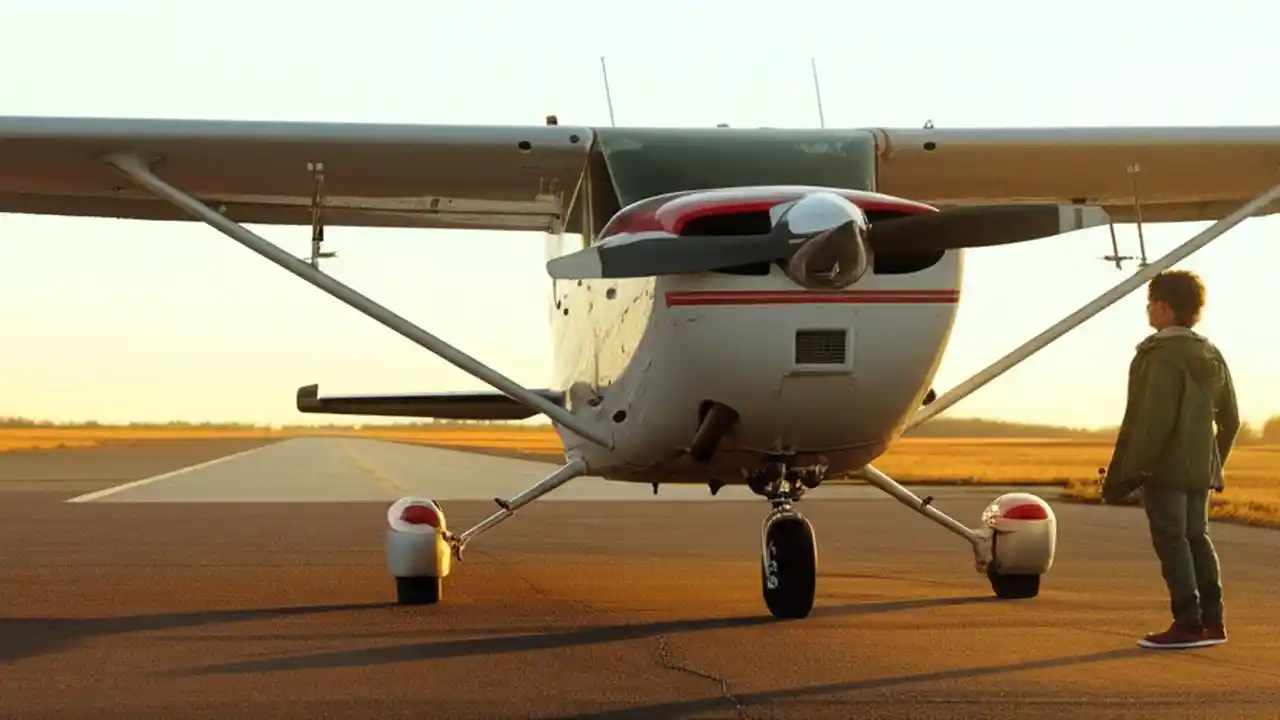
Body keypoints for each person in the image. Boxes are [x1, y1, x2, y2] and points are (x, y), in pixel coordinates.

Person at [1101, 269, 1239, 650]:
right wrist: (1215, 464)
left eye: (1150, 303)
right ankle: (1213, 622)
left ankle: (1186, 622)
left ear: (1163, 307)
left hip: (1164, 469)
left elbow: (1152, 421)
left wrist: (1132, 472)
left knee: (1171, 541)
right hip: (1200, 471)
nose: (1148, 309)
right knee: (1197, 537)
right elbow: (1231, 419)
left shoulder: (1159, 355)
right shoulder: (1210, 353)